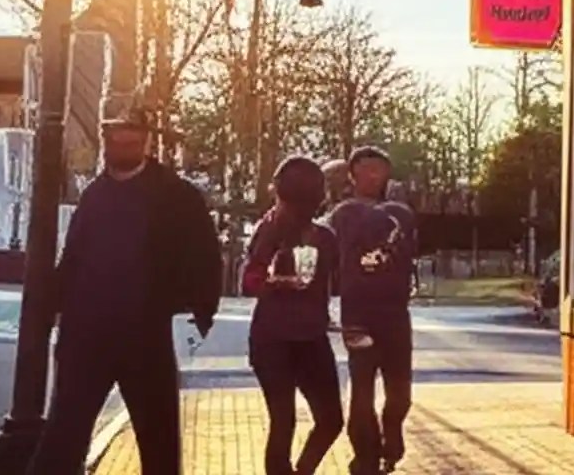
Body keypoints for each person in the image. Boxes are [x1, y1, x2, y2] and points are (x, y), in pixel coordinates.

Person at [27, 103, 221, 475]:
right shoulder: (95, 195)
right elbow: (74, 257)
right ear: (106, 141)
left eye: (131, 138)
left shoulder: (177, 196)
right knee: (64, 434)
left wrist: (198, 311)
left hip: (144, 335)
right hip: (85, 335)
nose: (123, 145)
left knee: (158, 439)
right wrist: (52, 305)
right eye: (115, 138)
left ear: (146, 142)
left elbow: (205, 257)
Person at [242, 156, 344, 475]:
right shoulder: (269, 232)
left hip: (311, 338)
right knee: (283, 420)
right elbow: (248, 282)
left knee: (330, 419)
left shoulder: (325, 238)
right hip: (273, 340)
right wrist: (275, 281)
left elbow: (335, 283)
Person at [327, 146, 417, 475]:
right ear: (352, 176)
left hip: (395, 314)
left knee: (400, 392)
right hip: (358, 315)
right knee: (362, 389)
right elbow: (326, 259)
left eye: (379, 169)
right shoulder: (342, 215)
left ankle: (391, 432)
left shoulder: (402, 214)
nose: (373, 175)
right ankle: (364, 456)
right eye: (365, 170)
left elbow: (411, 253)